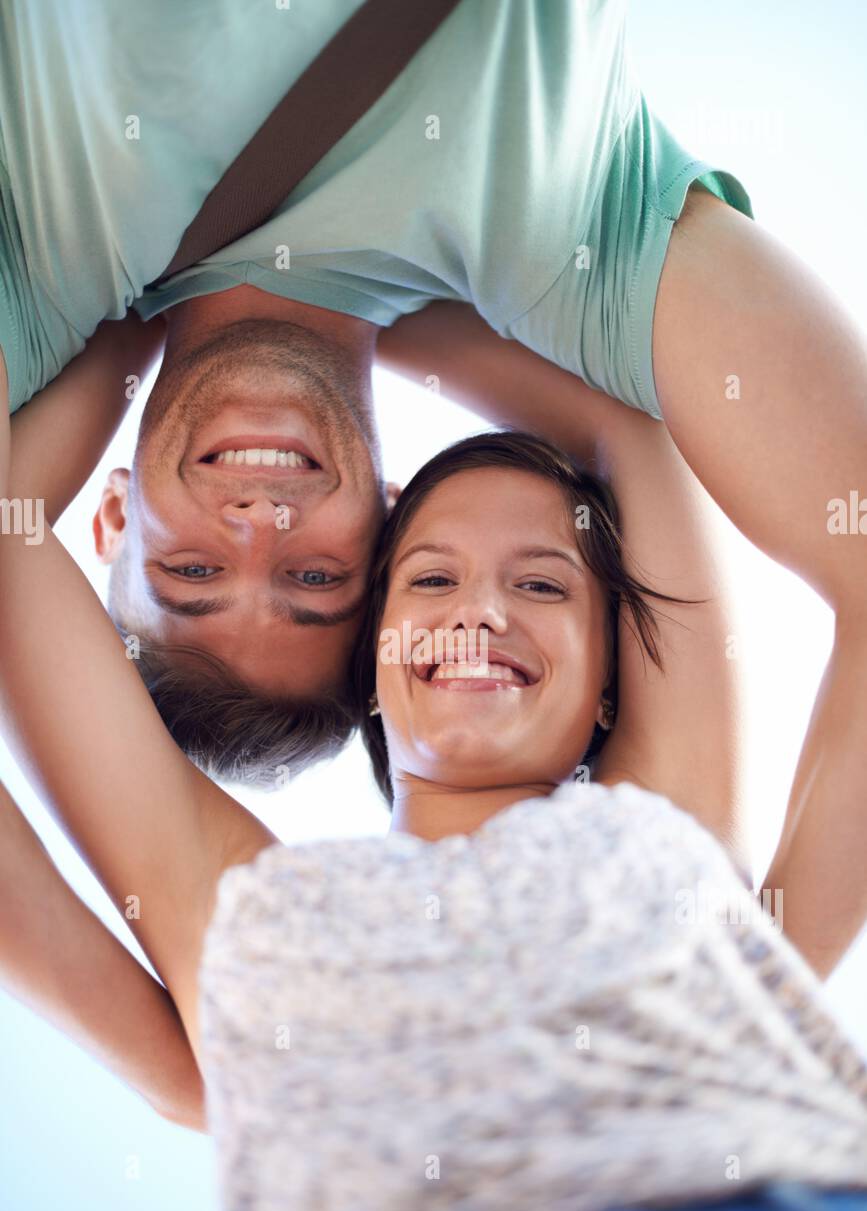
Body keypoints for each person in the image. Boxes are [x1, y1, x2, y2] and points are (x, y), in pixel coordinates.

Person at [2, 328, 867, 1211]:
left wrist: (350, 309)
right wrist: (169, 310)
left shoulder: (664, 817)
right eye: (430, 579)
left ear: (613, 683)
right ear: (374, 656)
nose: (478, 614)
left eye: (541, 583)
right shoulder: (240, 904)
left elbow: (628, 430)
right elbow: (11, 517)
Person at [6, 2, 864, 789]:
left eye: (192, 570)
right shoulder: (566, 255)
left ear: (112, 517)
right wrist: (762, 964)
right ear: (393, 517)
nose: (258, 520)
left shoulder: (33, 251)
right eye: (315, 575)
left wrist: (100, 326)